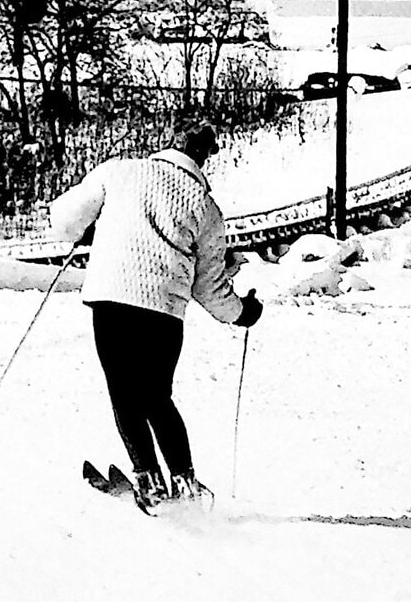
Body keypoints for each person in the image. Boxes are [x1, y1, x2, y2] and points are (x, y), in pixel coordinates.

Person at [50, 119, 262, 509]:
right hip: (164, 310)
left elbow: (64, 221)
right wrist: (243, 313)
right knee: (156, 396)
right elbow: (208, 286)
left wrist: (92, 229)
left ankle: (147, 478)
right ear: (206, 156)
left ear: (170, 141)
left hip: (111, 299)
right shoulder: (205, 207)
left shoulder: (118, 172)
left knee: (123, 392)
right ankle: (184, 483)